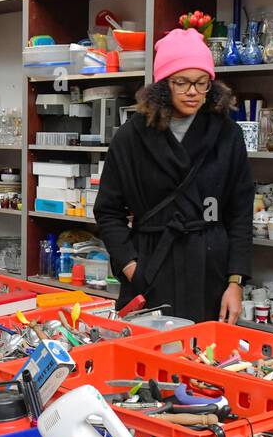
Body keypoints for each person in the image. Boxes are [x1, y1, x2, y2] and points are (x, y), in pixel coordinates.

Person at [93, 28, 253, 323]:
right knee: (147, 360)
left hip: (209, 267)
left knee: (204, 356)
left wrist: (235, 282)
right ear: (163, 84)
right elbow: (108, 211)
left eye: (201, 83)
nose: (193, 91)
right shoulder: (132, 136)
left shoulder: (227, 134)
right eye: (182, 82)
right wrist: (131, 266)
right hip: (151, 264)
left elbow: (240, 213)